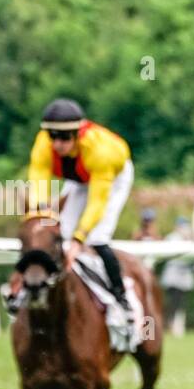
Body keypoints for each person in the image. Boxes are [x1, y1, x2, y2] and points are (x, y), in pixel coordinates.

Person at [25, 98, 134, 321]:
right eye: (53, 136)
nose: (57, 143)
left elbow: (97, 203)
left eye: (64, 137)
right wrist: (41, 214)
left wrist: (79, 238)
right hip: (78, 178)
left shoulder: (100, 152)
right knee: (59, 234)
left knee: (96, 237)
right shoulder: (42, 144)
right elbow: (38, 182)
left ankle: (121, 297)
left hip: (112, 179)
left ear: (78, 134)